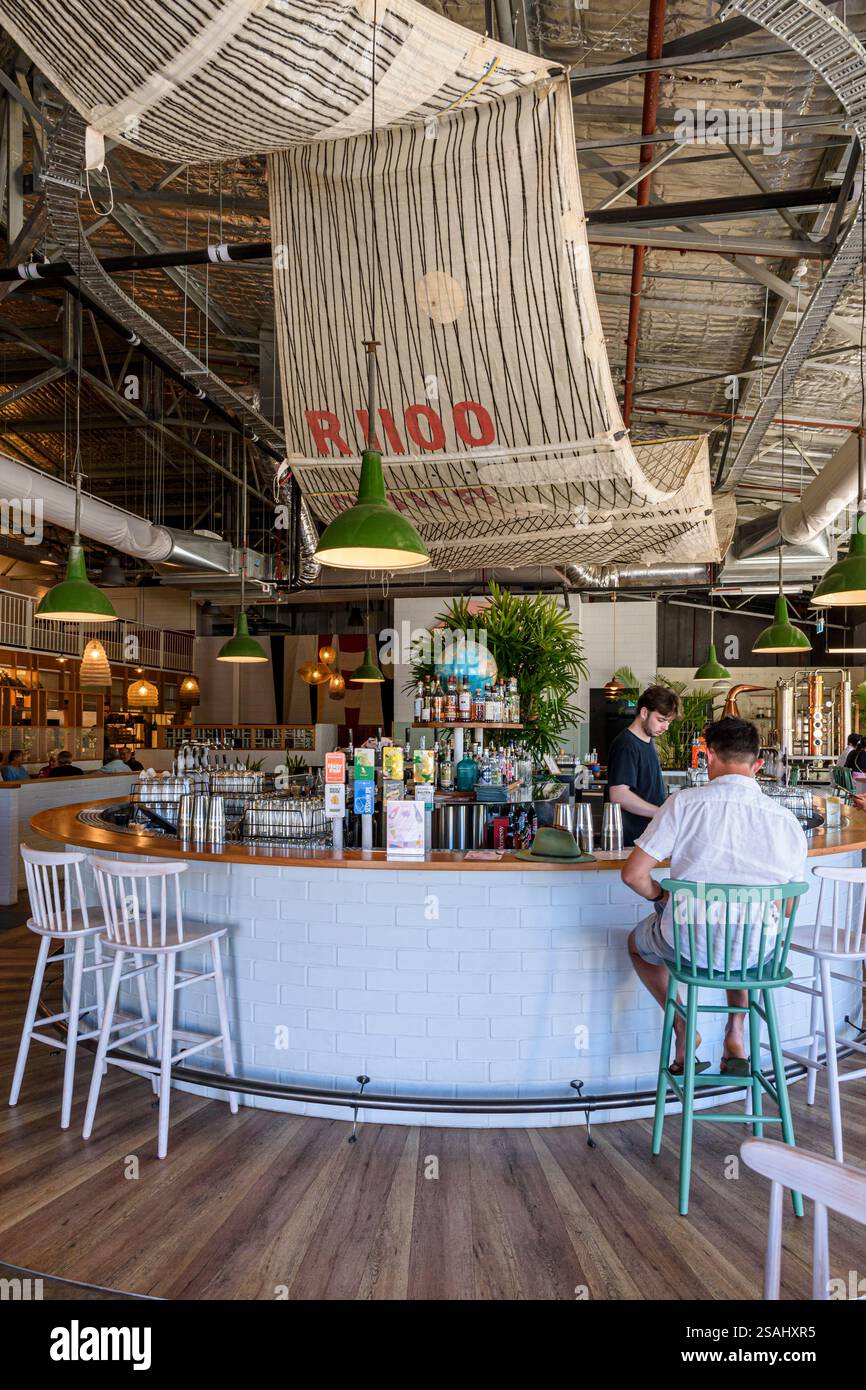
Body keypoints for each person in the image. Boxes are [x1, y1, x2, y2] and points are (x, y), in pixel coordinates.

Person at [622, 717, 807, 1075]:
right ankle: (736, 1034)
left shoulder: (684, 804)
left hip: (691, 944)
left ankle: (683, 1025)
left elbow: (632, 875)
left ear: (708, 756)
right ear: (758, 765)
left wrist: (661, 897)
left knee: (636, 943)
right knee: (742, 946)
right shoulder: (786, 821)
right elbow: (786, 909)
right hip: (758, 949)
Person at [606, 684, 679, 846]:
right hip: (632, 841)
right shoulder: (626, 745)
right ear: (644, 713)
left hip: (648, 837)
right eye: (661, 720)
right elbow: (619, 795)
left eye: (669, 722)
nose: (666, 727)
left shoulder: (647, 742)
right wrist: (661, 812)